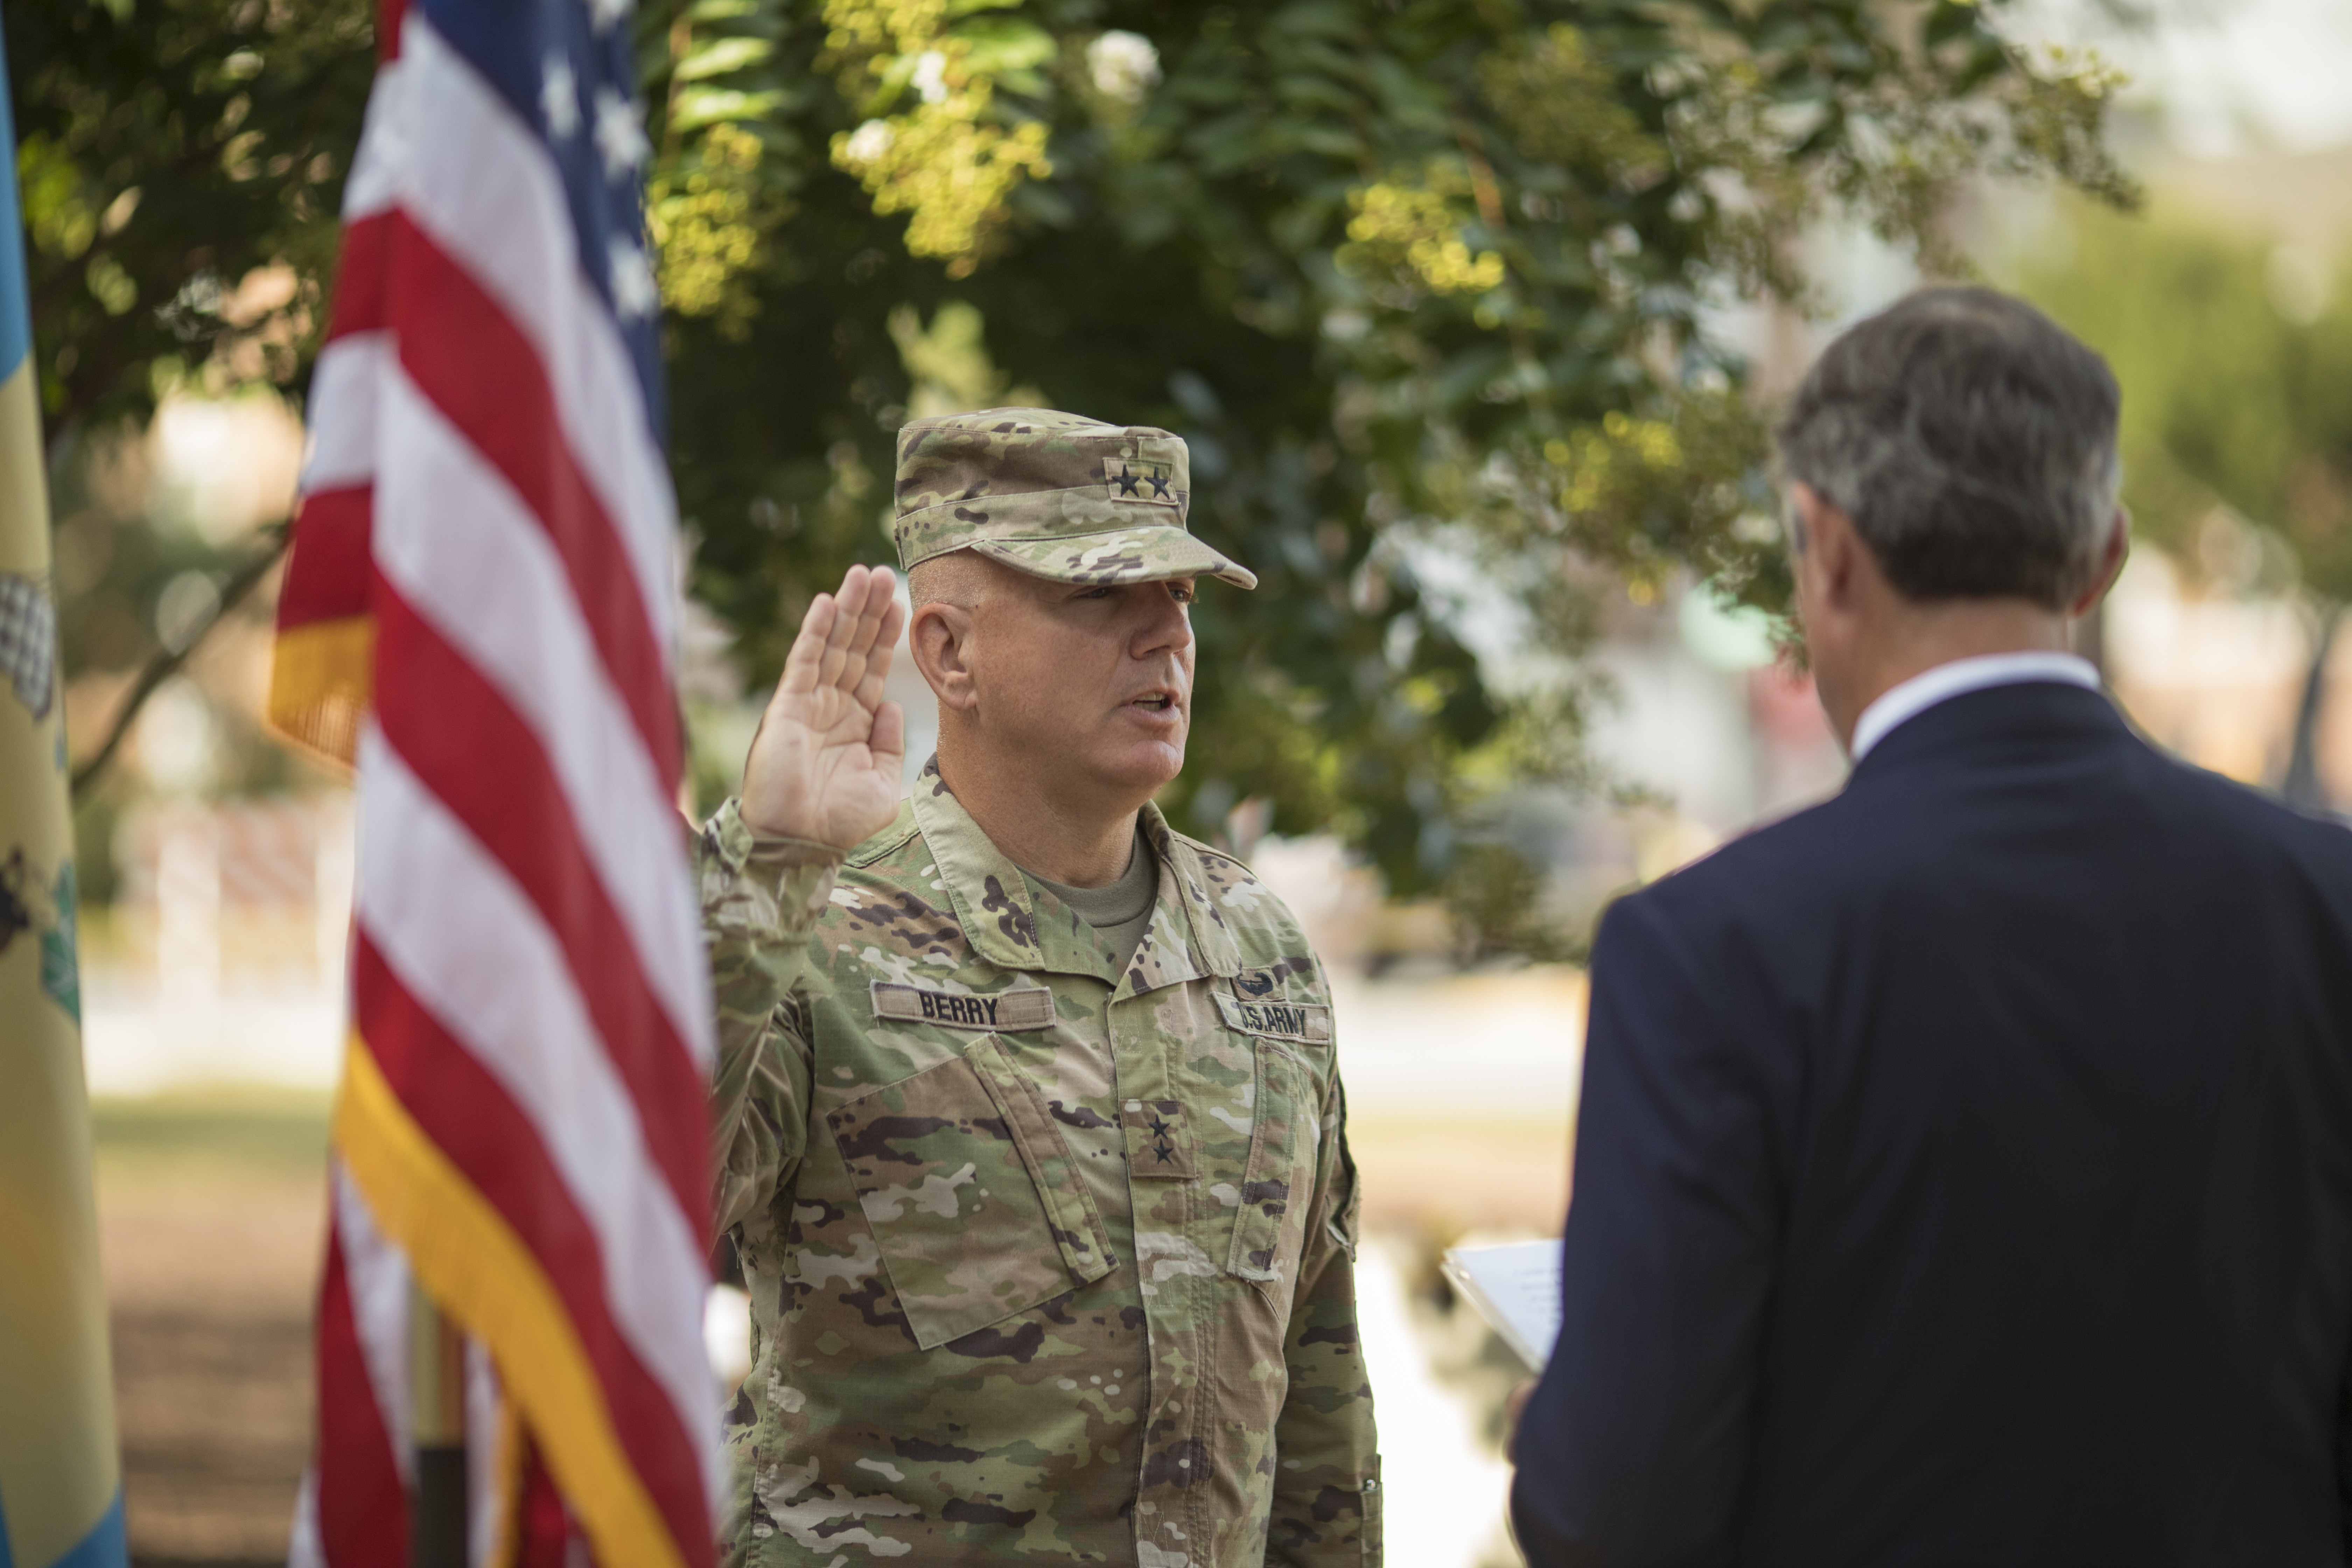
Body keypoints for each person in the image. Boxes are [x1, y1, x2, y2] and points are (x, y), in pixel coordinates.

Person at [1510, 287, 2352, 1565]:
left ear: (1829, 550)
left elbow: (1615, 1516)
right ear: (2103, 557)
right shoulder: (2326, 904)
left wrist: (1554, 1444)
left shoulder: (1709, 951)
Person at [696, 407, 1380, 1566]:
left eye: (1180, 595)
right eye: (1103, 593)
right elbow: (635, 1194)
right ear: (949, 653)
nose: (1167, 635)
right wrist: (763, 870)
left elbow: (1317, 1382)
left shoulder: (1256, 945)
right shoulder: (807, 927)